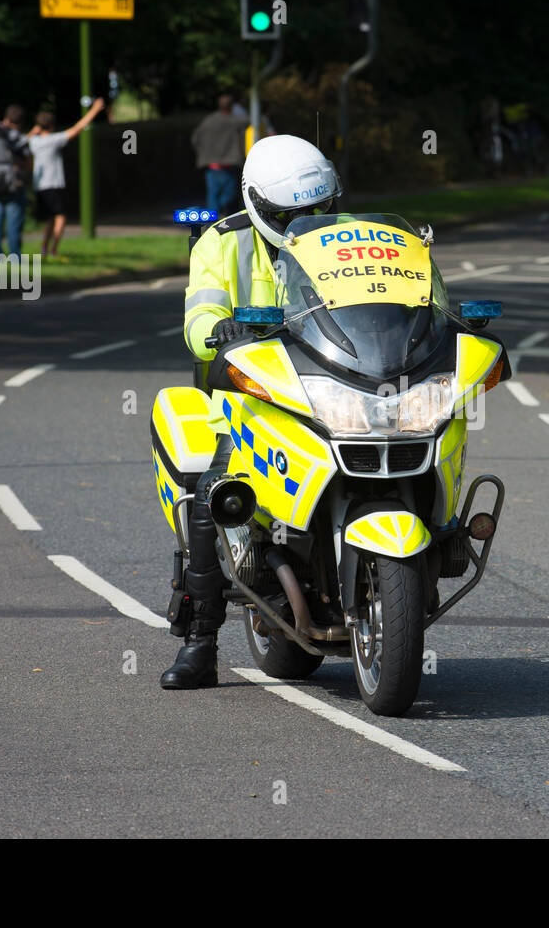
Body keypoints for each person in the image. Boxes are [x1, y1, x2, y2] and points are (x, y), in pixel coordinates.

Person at [162, 134, 340, 689]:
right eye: (293, 213)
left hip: (333, 391)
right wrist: (218, 329)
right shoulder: (221, 243)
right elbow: (197, 318)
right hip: (252, 398)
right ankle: (201, 643)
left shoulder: (354, 238)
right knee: (214, 493)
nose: (308, 220)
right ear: (260, 204)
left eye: (319, 208)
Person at [27, 98, 105, 260]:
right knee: (61, 216)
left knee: (49, 218)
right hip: (54, 183)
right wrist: (95, 110)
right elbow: (77, 128)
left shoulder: (34, 142)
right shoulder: (53, 140)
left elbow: (23, 141)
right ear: (52, 125)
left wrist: (34, 131)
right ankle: (54, 248)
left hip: (39, 184)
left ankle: (44, 248)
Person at [0, 105, 31, 256]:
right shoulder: (17, 137)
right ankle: (15, 256)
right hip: (11, 183)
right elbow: (27, 161)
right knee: (13, 223)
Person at [191, 94, 249, 217]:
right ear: (232, 107)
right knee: (231, 194)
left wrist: (204, 153)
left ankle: (212, 218)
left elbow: (195, 139)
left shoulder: (208, 120)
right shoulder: (234, 121)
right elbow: (251, 121)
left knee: (213, 195)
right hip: (229, 165)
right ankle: (219, 212)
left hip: (211, 165)